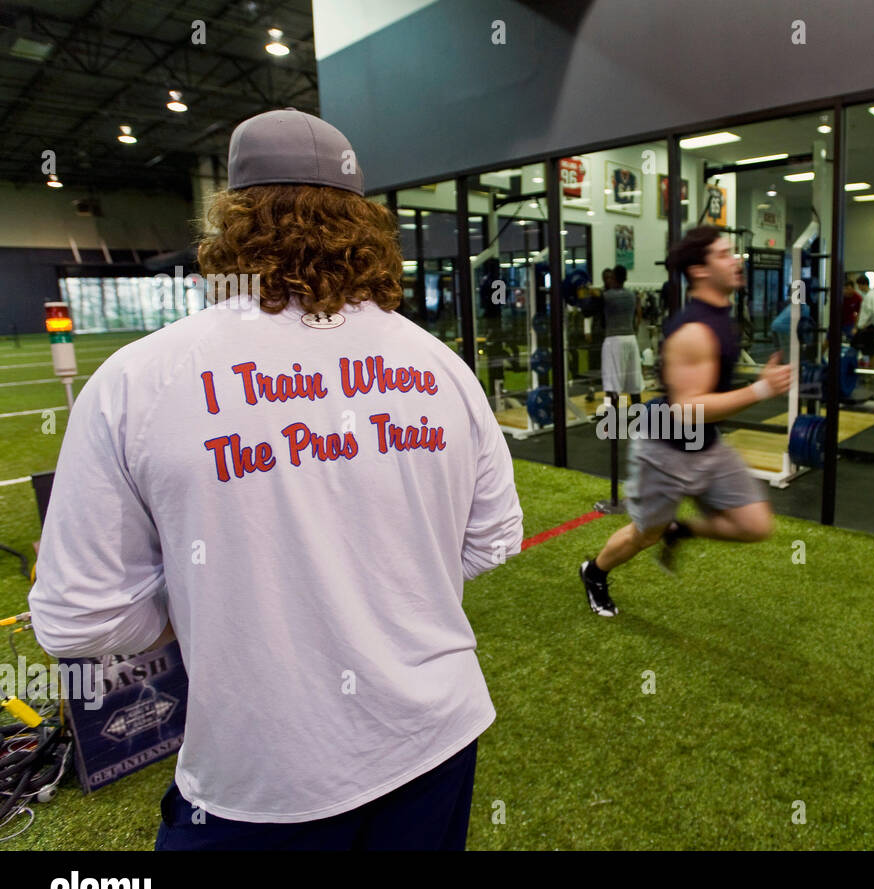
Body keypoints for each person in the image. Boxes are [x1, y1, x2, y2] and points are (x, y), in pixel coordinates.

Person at [28, 110, 524, 849]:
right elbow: (491, 540)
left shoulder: (140, 379)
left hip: (262, 779)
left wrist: (207, 604)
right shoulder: (444, 367)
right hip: (436, 739)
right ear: (364, 223)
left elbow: (79, 621)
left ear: (229, 219)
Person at [579, 226, 792, 616]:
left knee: (755, 525)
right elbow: (687, 410)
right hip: (665, 451)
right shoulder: (693, 330)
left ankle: (681, 529)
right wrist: (761, 391)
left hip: (706, 445)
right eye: (725, 254)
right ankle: (594, 571)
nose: (736, 260)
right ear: (699, 270)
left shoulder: (721, 317)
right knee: (643, 536)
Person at [599, 264, 643, 407]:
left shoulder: (606, 296)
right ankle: (641, 424)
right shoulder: (632, 295)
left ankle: (610, 426)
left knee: (612, 386)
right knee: (634, 383)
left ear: (613, 278)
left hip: (614, 341)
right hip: (631, 340)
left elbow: (587, 310)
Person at [853, 272, 874, 368]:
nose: (858, 288)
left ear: (863, 284)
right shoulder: (871, 294)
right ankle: (867, 371)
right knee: (864, 350)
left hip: (870, 327)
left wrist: (865, 325)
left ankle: (871, 374)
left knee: (871, 352)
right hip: (868, 326)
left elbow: (873, 312)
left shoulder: (871, 295)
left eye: (859, 286)